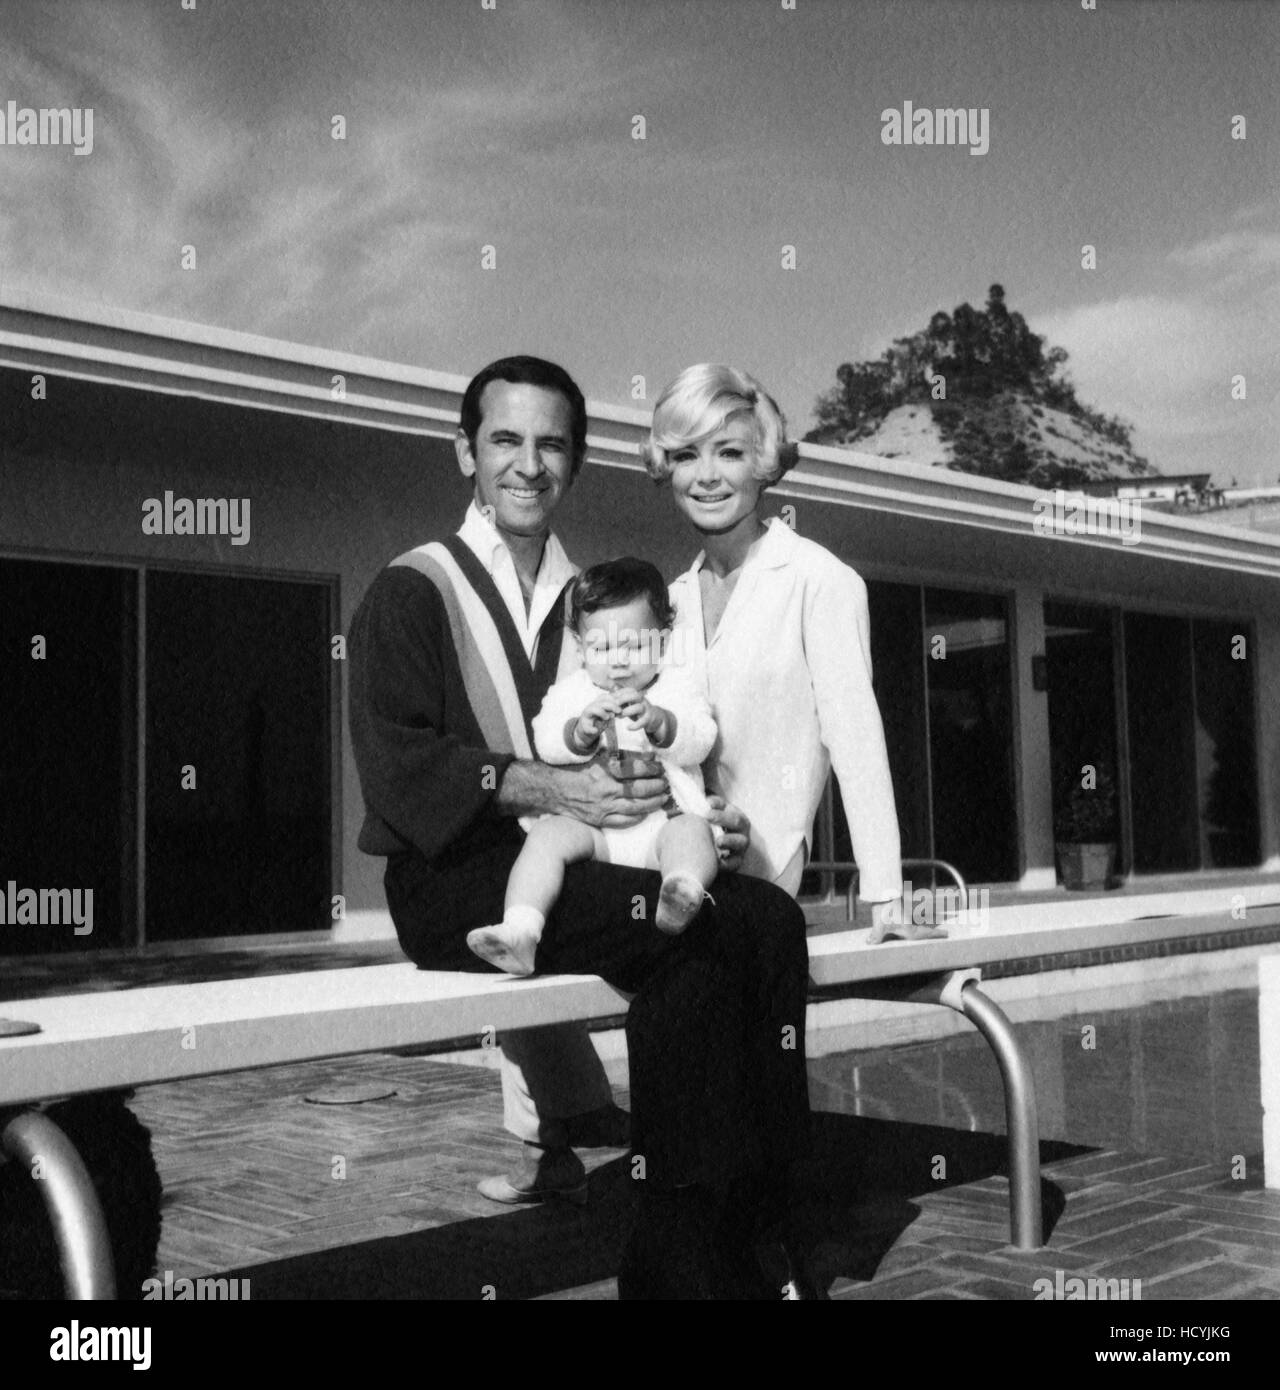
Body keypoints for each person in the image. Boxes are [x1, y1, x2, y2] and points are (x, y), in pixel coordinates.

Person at [348, 356, 811, 1298]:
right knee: (684, 937)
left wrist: (701, 813)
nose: (528, 463)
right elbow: (398, 766)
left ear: (577, 460)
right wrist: (553, 791)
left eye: (551, 443)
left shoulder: (593, 606)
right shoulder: (413, 587)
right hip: (460, 883)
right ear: (464, 454)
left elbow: (670, 729)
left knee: (766, 917)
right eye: (505, 440)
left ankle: (760, 1221)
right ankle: (686, 1263)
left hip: (604, 861)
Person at [647, 363, 936, 945]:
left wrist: (886, 897)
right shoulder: (668, 601)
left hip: (764, 876)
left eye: (728, 452)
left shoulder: (820, 581)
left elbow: (855, 741)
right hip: (666, 869)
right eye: (685, 455)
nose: (705, 477)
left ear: (763, 463)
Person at [466, 557, 722, 976]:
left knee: (693, 833)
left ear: (663, 641)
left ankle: (681, 891)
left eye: (635, 646)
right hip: (597, 834)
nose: (618, 661)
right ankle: (521, 930)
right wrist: (579, 732)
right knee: (547, 838)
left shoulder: (677, 687)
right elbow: (545, 739)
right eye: (601, 648)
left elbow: (701, 738)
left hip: (661, 826)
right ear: (581, 648)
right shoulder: (573, 691)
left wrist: (661, 723)